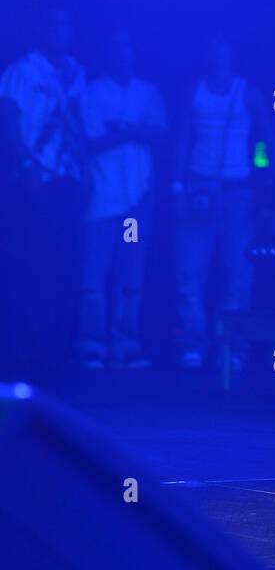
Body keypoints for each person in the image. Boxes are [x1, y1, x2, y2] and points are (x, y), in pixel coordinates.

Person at [173, 37, 275, 368]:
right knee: (190, 269)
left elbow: (266, 138)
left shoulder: (248, 92)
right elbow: (183, 138)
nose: (218, 62)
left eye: (224, 56)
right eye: (213, 55)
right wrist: (177, 185)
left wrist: (261, 174)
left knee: (238, 271)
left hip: (237, 190)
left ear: (232, 57)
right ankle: (194, 341)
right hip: (198, 187)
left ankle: (232, 345)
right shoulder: (195, 91)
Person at [0, 5, 87, 373]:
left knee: (62, 265)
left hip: (67, 180)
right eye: (53, 23)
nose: (59, 30)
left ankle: (57, 348)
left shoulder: (76, 72)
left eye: (65, 23)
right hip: (33, 179)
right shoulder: (22, 69)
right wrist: (23, 164)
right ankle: (23, 348)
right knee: (29, 262)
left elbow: (78, 120)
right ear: (42, 28)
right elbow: (8, 117)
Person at [77, 30, 167, 368]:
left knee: (131, 278)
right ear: (107, 53)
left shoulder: (148, 93)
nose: (121, 52)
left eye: (126, 46)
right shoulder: (93, 92)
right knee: (94, 276)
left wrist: (123, 130)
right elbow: (91, 139)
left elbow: (159, 134)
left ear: (134, 53)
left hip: (136, 201)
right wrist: (133, 132)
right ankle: (92, 343)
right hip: (101, 200)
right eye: (115, 46)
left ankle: (126, 342)